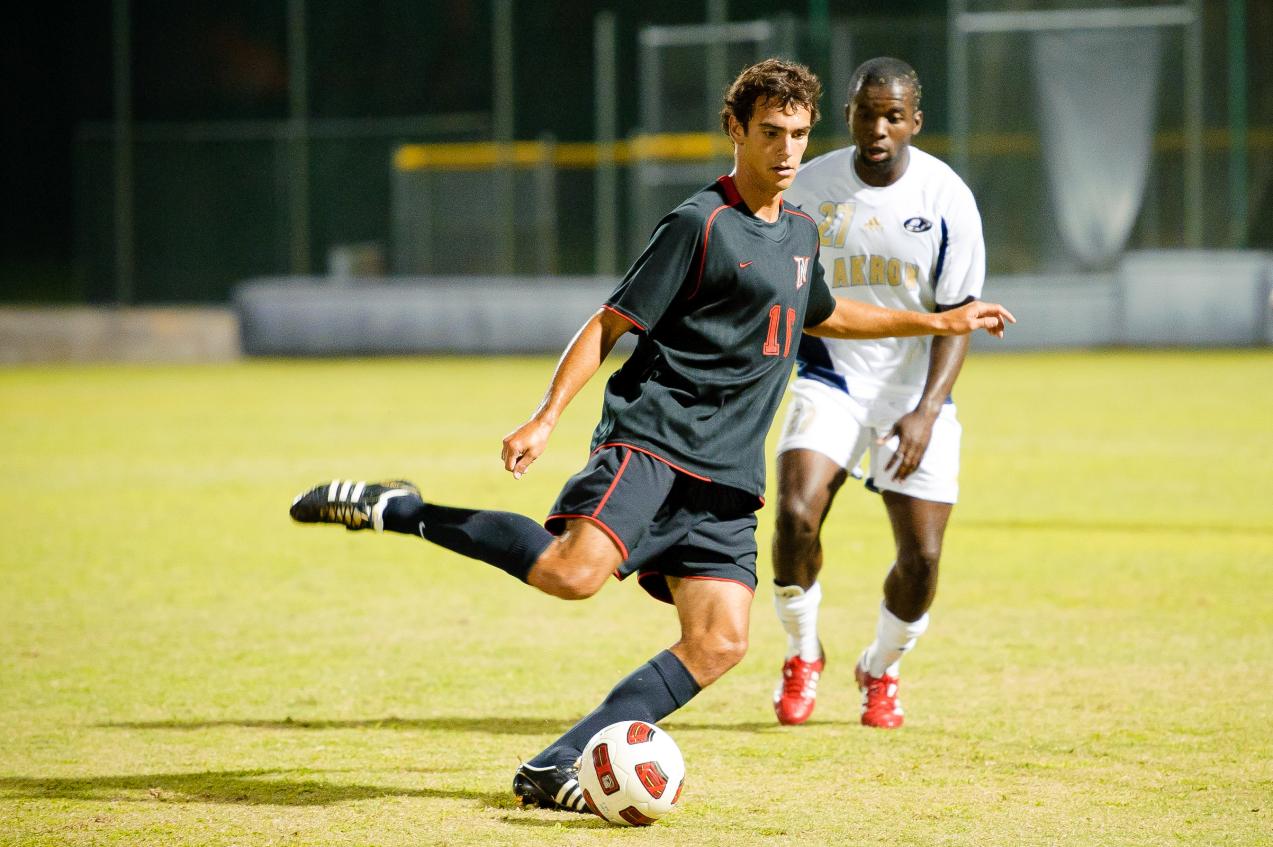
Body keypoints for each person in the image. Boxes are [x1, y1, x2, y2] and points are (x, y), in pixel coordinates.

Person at [290, 58, 1012, 812]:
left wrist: (938, 318)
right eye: (770, 133)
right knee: (572, 575)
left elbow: (825, 315)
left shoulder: (800, 230)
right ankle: (399, 508)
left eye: (798, 134)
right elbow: (609, 323)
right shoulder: (698, 223)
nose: (788, 151)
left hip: (727, 474)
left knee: (720, 642)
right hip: (655, 439)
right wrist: (545, 416)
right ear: (735, 130)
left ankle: (556, 763)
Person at [769, 57, 986, 729]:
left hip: (912, 390)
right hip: (829, 376)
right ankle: (802, 651)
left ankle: (881, 666)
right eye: (867, 113)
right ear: (849, 116)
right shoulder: (808, 189)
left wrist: (925, 410)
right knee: (794, 514)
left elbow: (957, 315)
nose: (879, 127)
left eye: (893, 115)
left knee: (920, 557)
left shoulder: (945, 197)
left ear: (914, 121)